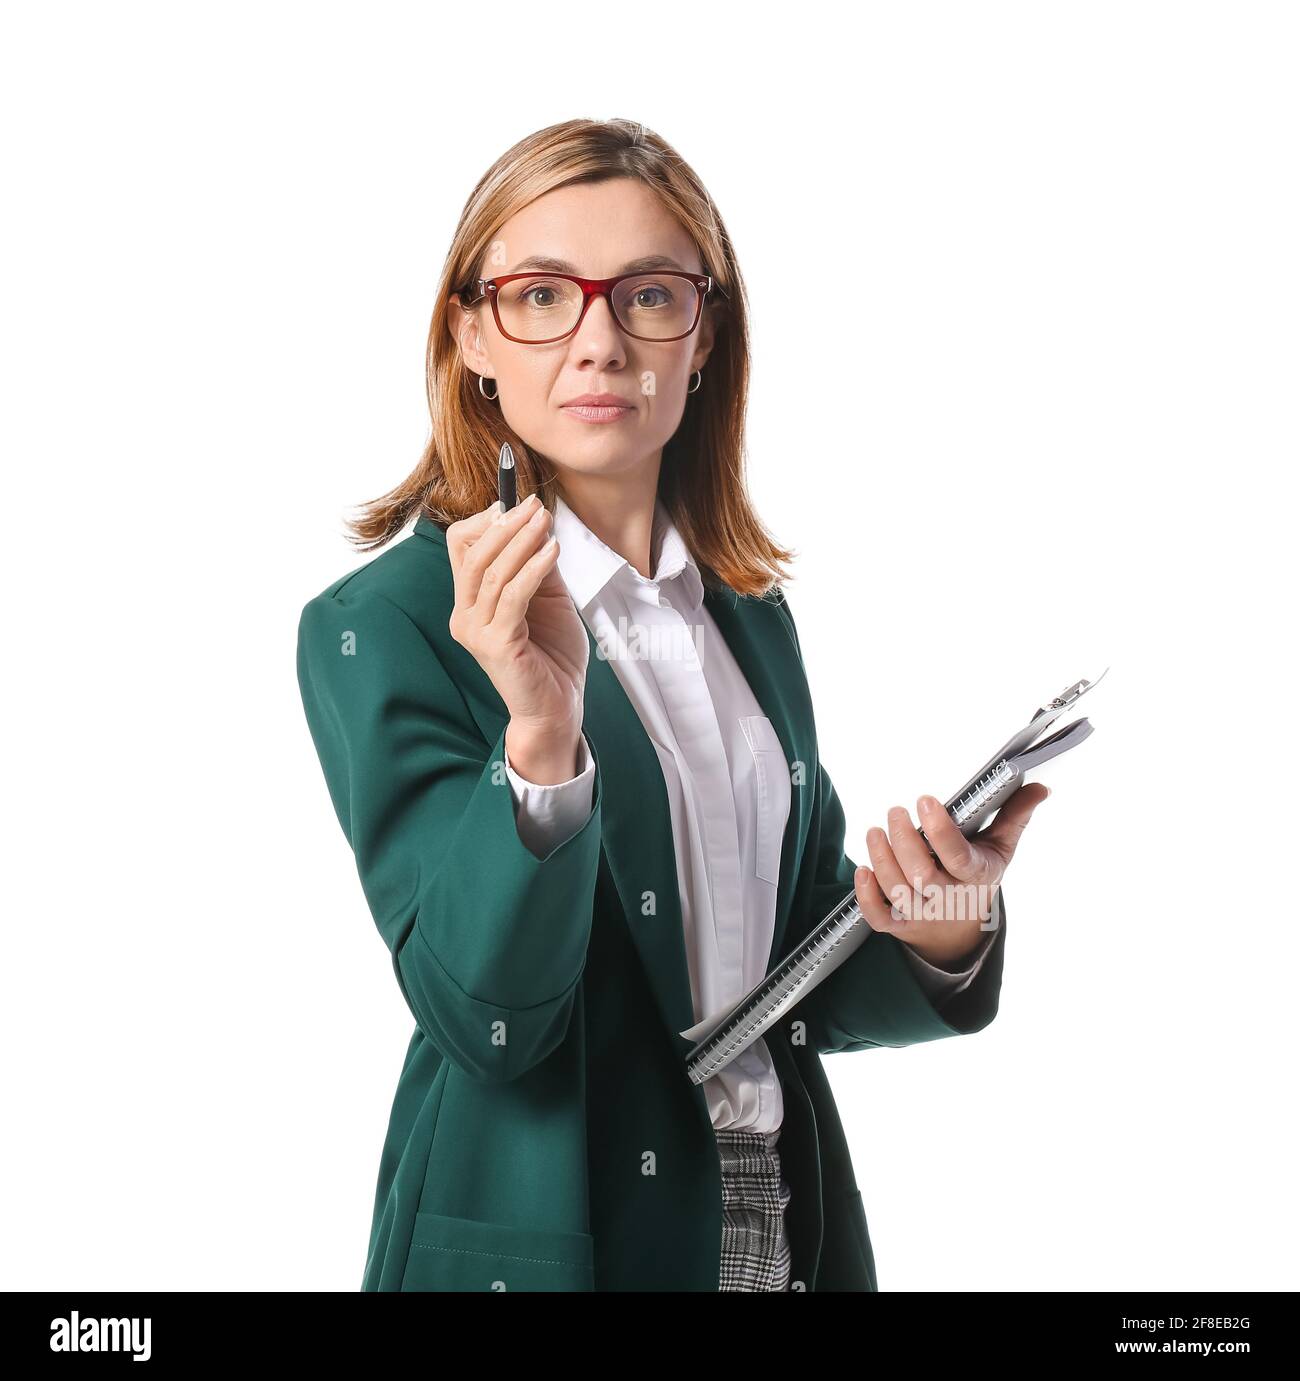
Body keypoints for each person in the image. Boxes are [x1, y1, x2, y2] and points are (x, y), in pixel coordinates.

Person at [296, 117, 1047, 1292]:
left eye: (647, 295)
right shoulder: (387, 621)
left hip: (774, 1209)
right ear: (471, 337)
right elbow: (485, 1015)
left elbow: (782, 982)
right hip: (559, 1238)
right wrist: (543, 742)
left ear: (703, 339)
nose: (597, 341)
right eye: (541, 295)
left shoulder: (746, 615)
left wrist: (938, 922)